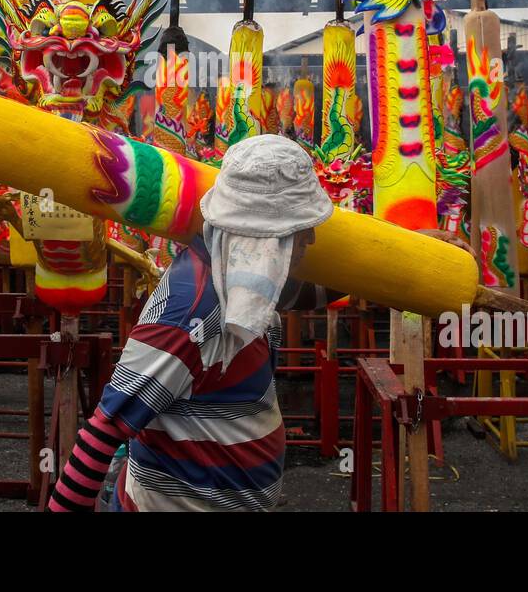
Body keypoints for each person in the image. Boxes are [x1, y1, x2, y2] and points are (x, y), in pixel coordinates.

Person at [48, 134, 334, 512]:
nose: (310, 239)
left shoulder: (242, 278)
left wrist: (408, 268)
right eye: (298, 230)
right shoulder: (189, 313)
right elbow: (104, 429)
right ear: (262, 239)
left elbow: (301, 294)